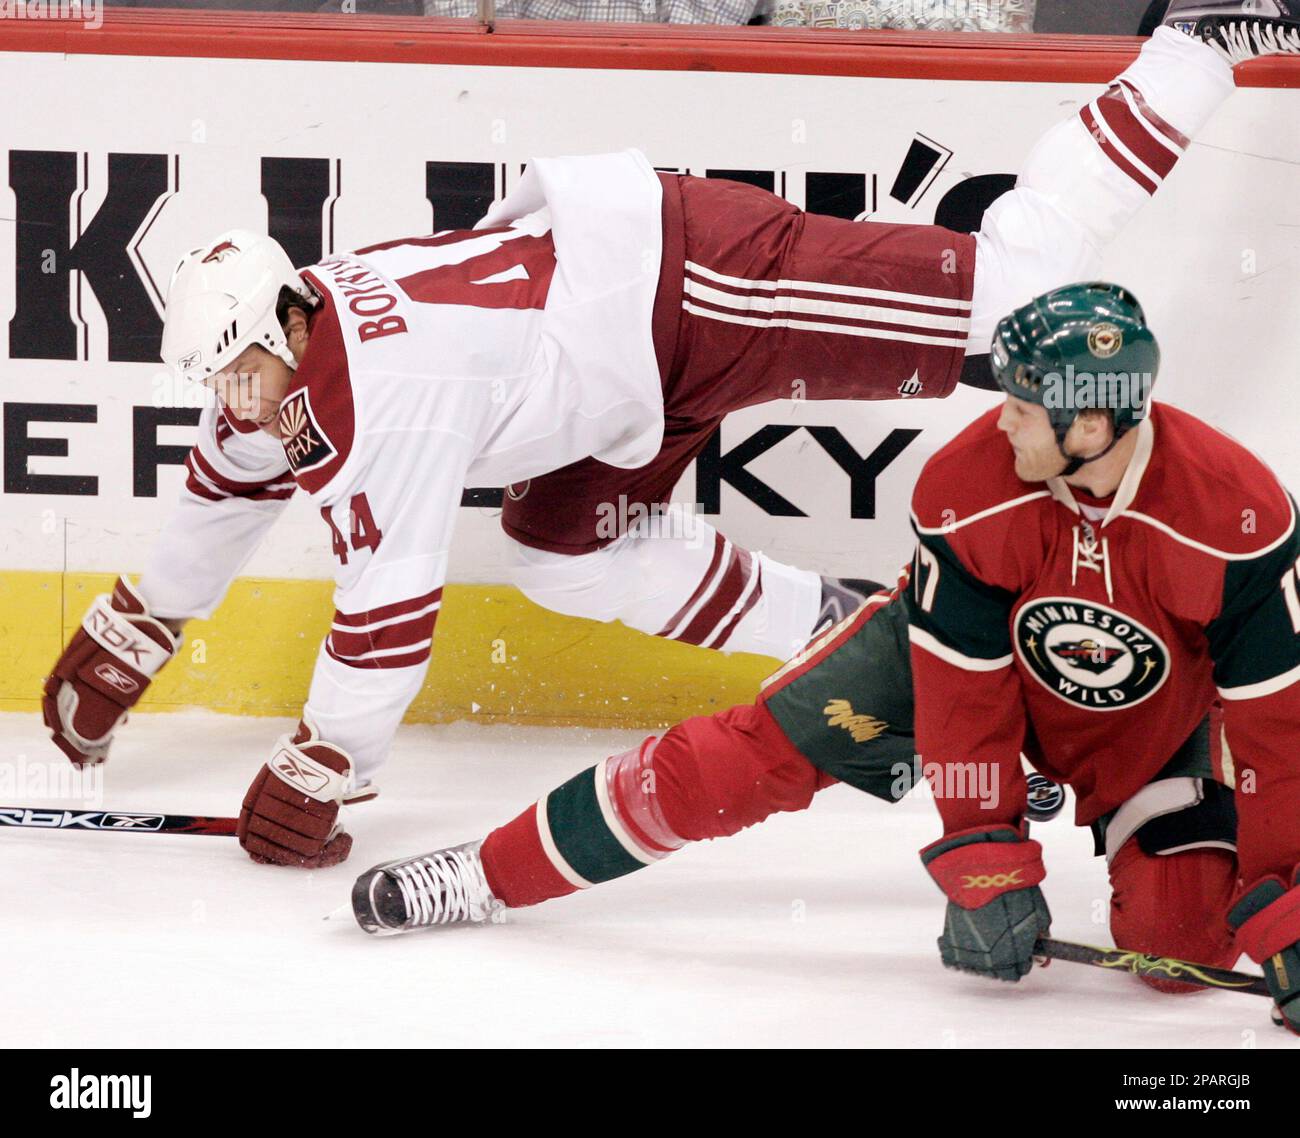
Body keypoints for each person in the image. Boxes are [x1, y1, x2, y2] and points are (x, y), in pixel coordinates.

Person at [41, 8, 1300, 872]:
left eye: (240, 372)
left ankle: (1194, 42)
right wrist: (136, 621)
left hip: (701, 285)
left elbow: (388, 604)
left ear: (279, 325)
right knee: (565, 549)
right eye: (223, 382)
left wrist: (326, 763)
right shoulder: (298, 336)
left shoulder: (382, 399)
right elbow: (234, 468)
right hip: (624, 365)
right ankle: (837, 628)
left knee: (1015, 279)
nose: (236, 401)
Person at [348, 281, 1300, 1034]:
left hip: (1151, 725)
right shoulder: (970, 484)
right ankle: (485, 873)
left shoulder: (1237, 515)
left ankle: (1097, 806)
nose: (998, 420)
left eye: (1021, 405)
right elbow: (962, 697)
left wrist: (1292, 905)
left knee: (1181, 948)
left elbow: (1273, 733)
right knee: (736, 760)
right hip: (946, 666)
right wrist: (985, 858)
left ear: (1092, 426)